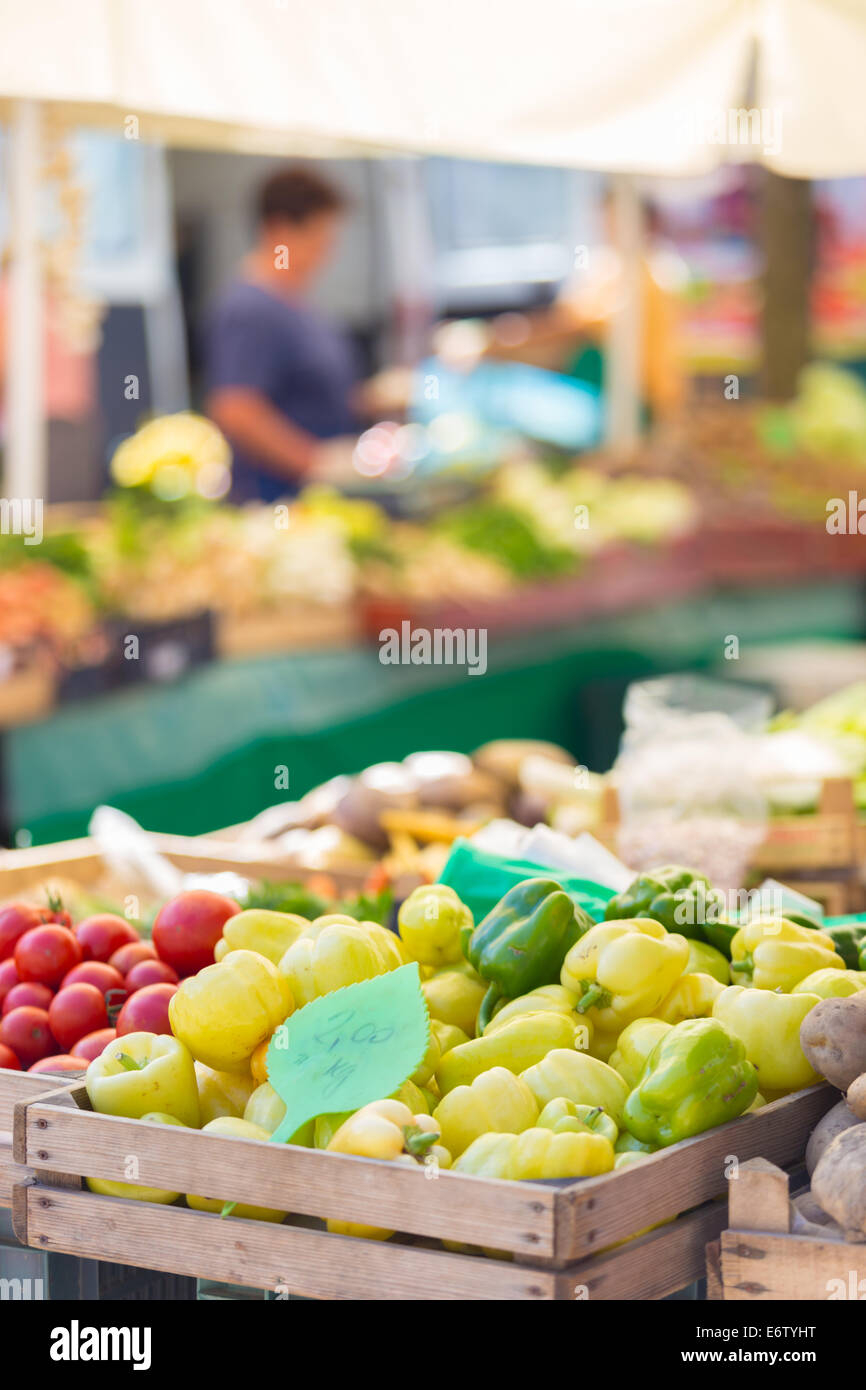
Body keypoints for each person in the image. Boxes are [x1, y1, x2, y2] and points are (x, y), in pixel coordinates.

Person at [205, 166, 361, 502]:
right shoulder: (251, 309)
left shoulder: (299, 305)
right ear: (280, 230)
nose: (327, 253)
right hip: (276, 501)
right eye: (320, 238)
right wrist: (315, 462)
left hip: (318, 500)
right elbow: (236, 409)